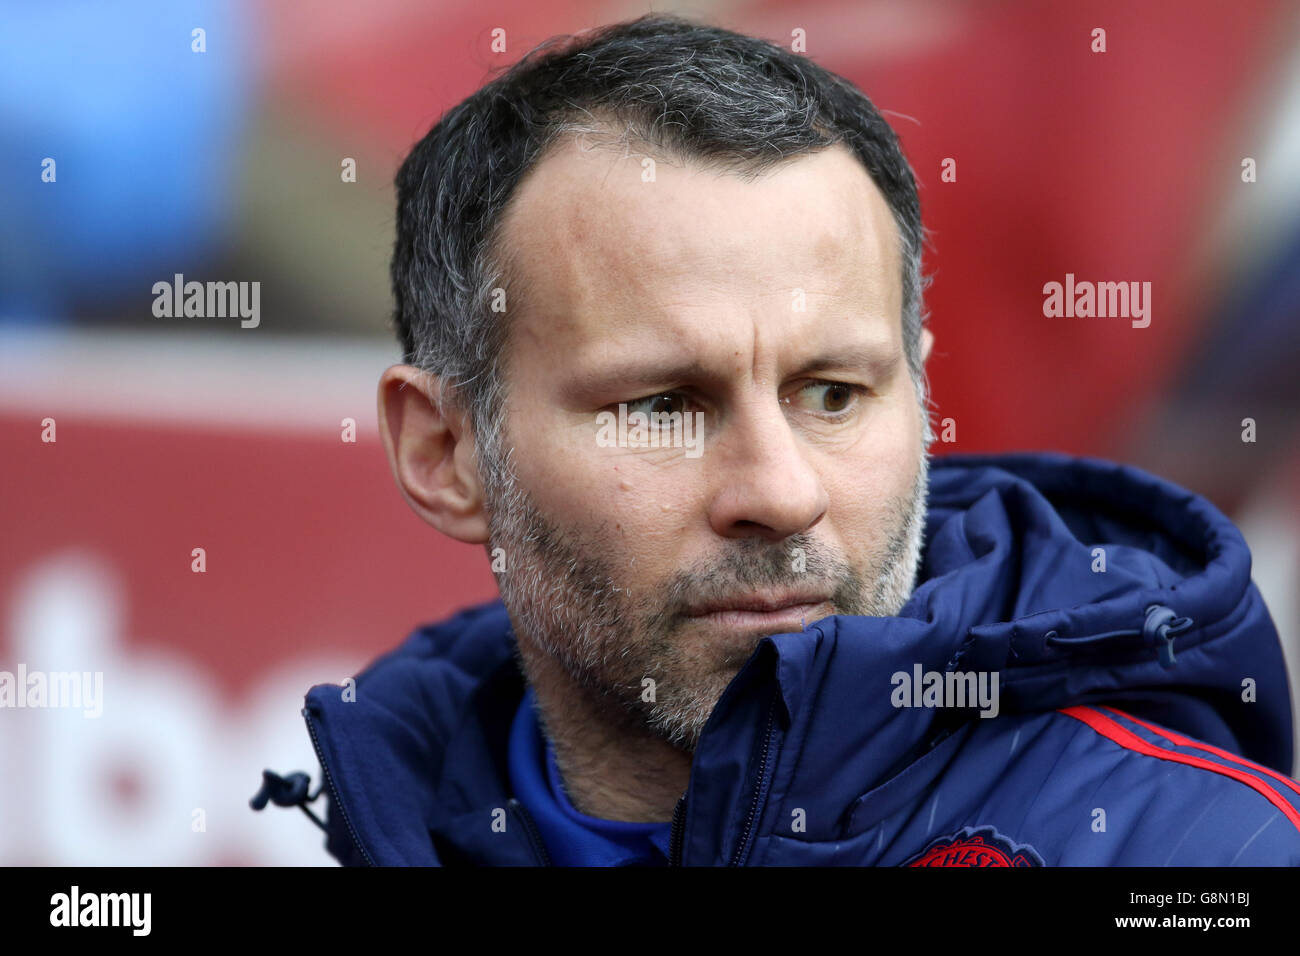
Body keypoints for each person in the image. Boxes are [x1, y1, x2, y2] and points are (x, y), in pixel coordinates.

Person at [252, 14, 1300, 866]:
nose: (780, 490)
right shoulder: (392, 820)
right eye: (662, 404)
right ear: (444, 452)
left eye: (834, 393)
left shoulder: (1195, 855)